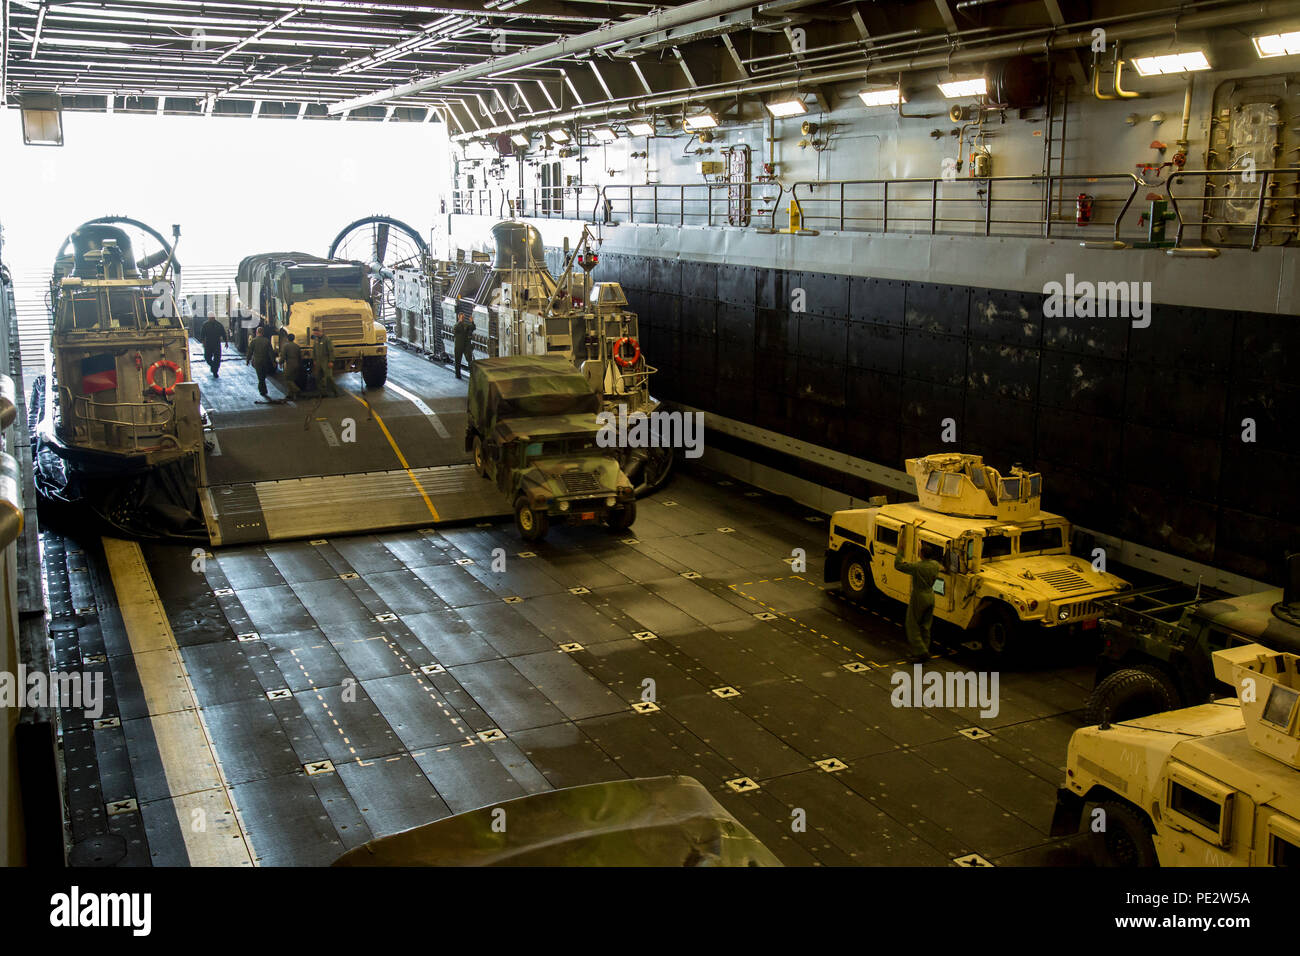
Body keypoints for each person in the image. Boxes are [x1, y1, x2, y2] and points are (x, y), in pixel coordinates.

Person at [894, 528, 945, 663]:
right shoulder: (935, 565)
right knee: (925, 626)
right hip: (931, 595)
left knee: (912, 624)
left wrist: (900, 551)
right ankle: (925, 649)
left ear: (921, 554)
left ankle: (920, 652)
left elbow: (898, 566)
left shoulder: (917, 567)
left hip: (919, 596)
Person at [246, 326, 274, 398]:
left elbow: (250, 352)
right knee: (263, 376)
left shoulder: (253, 341)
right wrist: (273, 361)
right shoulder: (267, 341)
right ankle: (263, 390)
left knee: (260, 376)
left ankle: (262, 390)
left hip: (257, 361)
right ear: (263, 333)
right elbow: (271, 352)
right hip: (265, 361)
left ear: (256, 332)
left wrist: (248, 360)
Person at [312, 329, 338, 397]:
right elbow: (314, 350)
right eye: (314, 333)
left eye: (316, 333)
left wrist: (331, 361)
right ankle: (323, 393)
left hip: (325, 361)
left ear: (320, 332)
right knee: (318, 377)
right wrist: (314, 359)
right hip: (318, 361)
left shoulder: (327, 339)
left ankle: (335, 391)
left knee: (329, 377)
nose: (315, 334)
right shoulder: (316, 340)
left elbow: (331, 351)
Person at [280, 332, 302, 401]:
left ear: (287, 339)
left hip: (290, 364)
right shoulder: (297, 346)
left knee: (287, 379)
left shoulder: (285, 346)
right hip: (296, 363)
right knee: (292, 379)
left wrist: (280, 362)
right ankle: (290, 395)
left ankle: (297, 390)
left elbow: (283, 356)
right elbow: (300, 356)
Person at [453, 313, 475, 380]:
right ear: (459, 317)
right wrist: (460, 322)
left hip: (466, 345)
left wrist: (472, 322)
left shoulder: (466, 325)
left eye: (464, 317)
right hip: (459, 345)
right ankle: (458, 374)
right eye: (462, 317)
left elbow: (473, 327)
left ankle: (472, 375)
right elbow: (456, 330)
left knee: (470, 360)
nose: (463, 319)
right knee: (458, 361)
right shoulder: (456, 325)